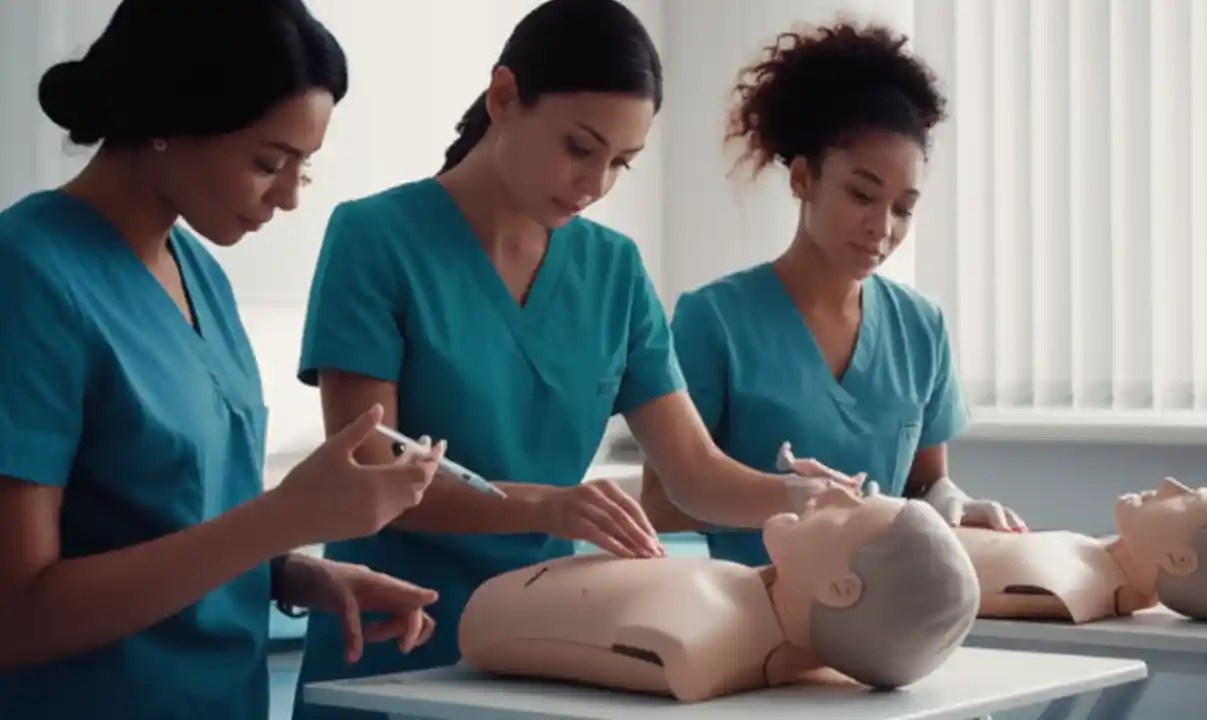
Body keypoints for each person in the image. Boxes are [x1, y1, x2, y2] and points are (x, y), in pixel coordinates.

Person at [292, 0, 855, 715]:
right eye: (579, 148)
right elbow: (369, 479)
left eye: (621, 162)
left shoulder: (613, 270)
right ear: (504, 98)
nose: (595, 184)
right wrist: (551, 505)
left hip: (543, 654)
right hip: (389, 648)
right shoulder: (375, 240)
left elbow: (694, 474)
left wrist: (804, 498)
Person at [0, 3, 447, 718]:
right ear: (164, 122)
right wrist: (281, 518)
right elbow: (16, 614)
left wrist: (292, 574)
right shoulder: (27, 277)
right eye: (269, 162)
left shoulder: (198, 272)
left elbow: (170, 521)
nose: (293, 196)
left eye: (306, 166)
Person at [642, 21, 1028, 567]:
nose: (882, 227)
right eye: (862, 194)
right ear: (803, 178)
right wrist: (790, 501)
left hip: (885, 617)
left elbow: (925, 486)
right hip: (750, 618)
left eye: (903, 208)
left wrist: (953, 503)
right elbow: (661, 504)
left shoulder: (921, 328)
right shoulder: (715, 321)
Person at [458, 486, 979, 701]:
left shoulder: (696, 636)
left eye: (852, 509)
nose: (838, 491)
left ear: (841, 590)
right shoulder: (778, 626)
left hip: (486, 612)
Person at [959, 477, 1207, 623]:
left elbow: (953, 602)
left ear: (1178, 560)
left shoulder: (1078, 592)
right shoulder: (1094, 554)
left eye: (1187, 499)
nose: (1169, 484)